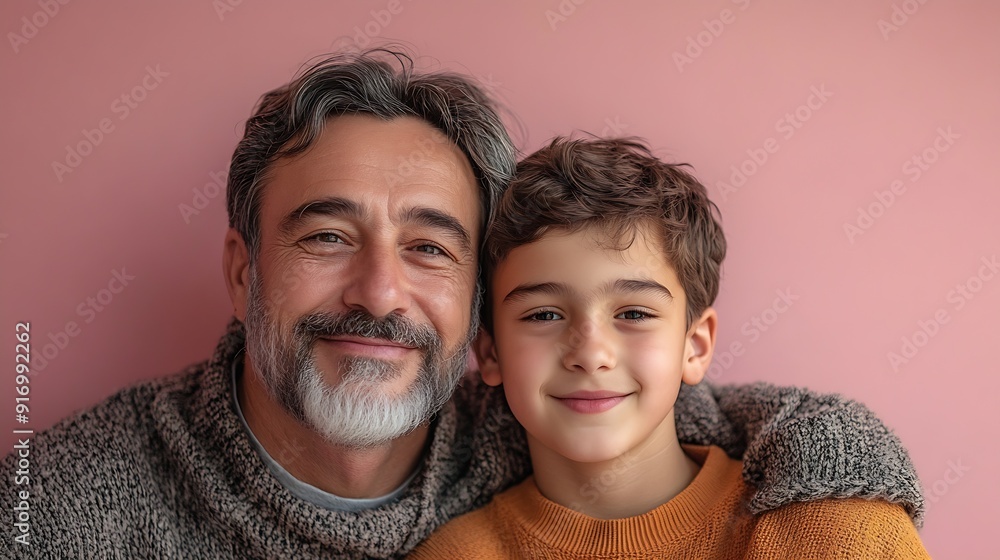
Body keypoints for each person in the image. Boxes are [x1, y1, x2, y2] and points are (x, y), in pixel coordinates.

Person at [0, 49, 923, 559]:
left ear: (477, 312)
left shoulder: (520, 421)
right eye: (327, 237)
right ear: (244, 274)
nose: (378, 292)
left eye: (430, 248)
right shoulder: (66, 509)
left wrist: (841, 481)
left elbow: (698, 415)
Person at [410, 137, 930, 558]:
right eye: (544, 315)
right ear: (490, 352)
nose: (590, 354)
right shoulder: (453, 554)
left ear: (694, 346)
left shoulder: (835, 530)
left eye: (634, 314)